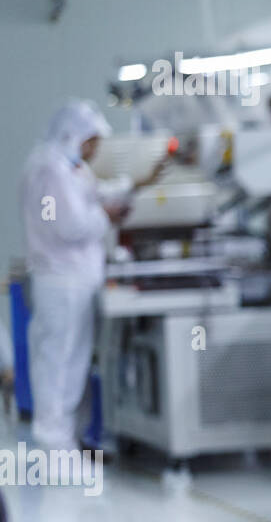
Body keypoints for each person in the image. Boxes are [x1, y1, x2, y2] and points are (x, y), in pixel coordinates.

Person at [19, 101, 166, 450]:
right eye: (92, 141)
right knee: (59, 365)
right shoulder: (50, 170)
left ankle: (63, 441)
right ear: (75, 135)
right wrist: (108, 217)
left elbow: (95, 193)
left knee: (70, 363)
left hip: (72, 280)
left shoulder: (69, 167)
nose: (95, 149)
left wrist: (136, 184)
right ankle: (53, 446)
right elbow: (69, 226)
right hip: (62, 281)